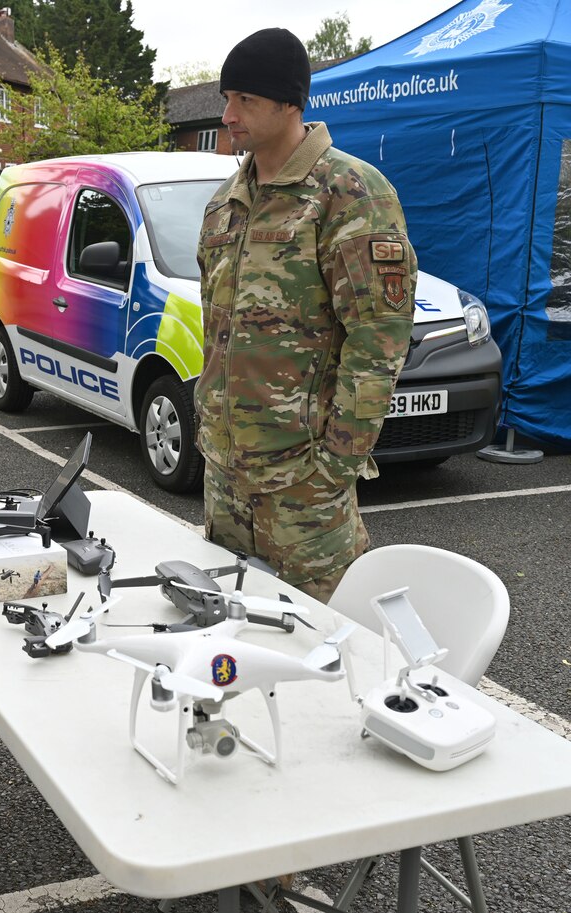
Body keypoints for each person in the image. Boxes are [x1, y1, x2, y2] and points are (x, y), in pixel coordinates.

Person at [195, 28, 416, 603]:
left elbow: (379, 340)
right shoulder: (226, 203)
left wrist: (336, 466)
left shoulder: (349, 193)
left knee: (322, 636)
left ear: (289, 103)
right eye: (227, 98)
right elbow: (217, 331)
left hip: (303, 485)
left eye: (246, 99)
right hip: (224, 477)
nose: (228, 115)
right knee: (228, 633)